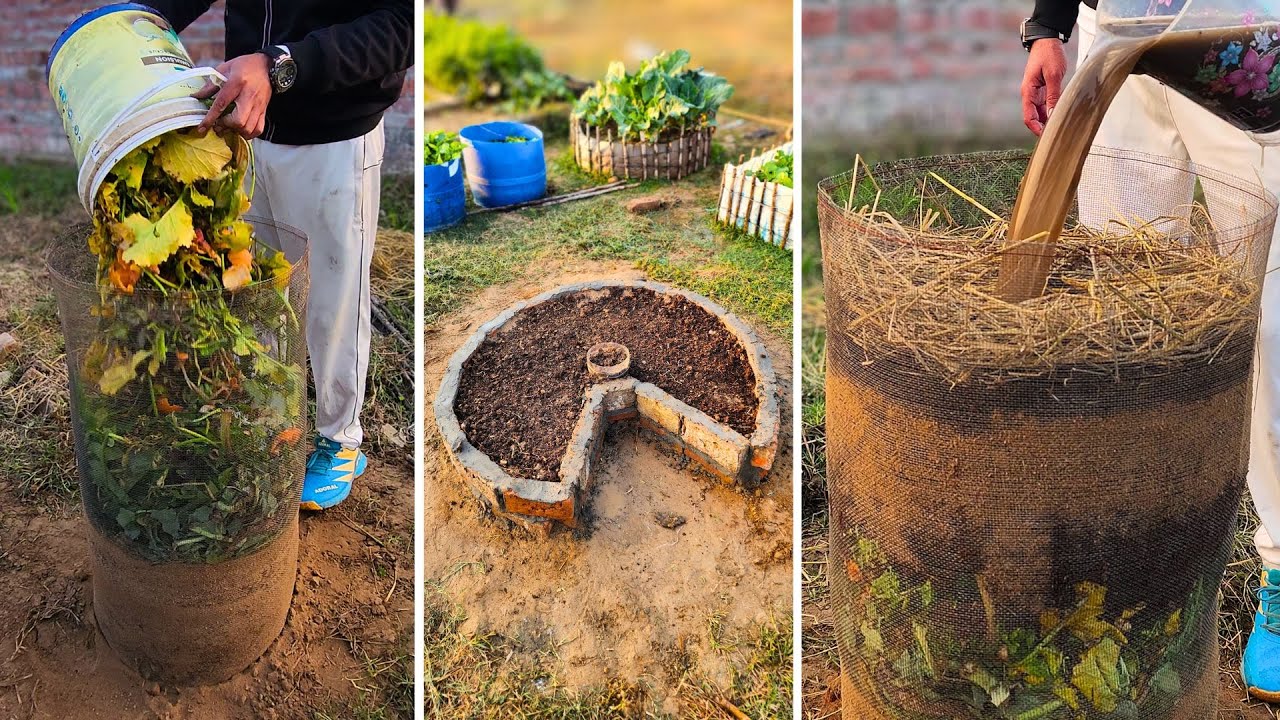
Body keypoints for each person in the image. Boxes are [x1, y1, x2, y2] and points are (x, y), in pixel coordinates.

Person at [1021, 0, 1280, 702]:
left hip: (1242, 35)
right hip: (1124, 34)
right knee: (1122, 311)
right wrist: (1049, 25)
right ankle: (1137, 565)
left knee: (1268, 324)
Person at [144, 0, 414, 511]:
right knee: (257, 291)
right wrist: (140, 21)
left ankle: (340, 440)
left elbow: (404, 24)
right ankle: (272, 418)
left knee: (331, 302)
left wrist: (280, 65)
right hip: (248, 125)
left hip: (332, 134)